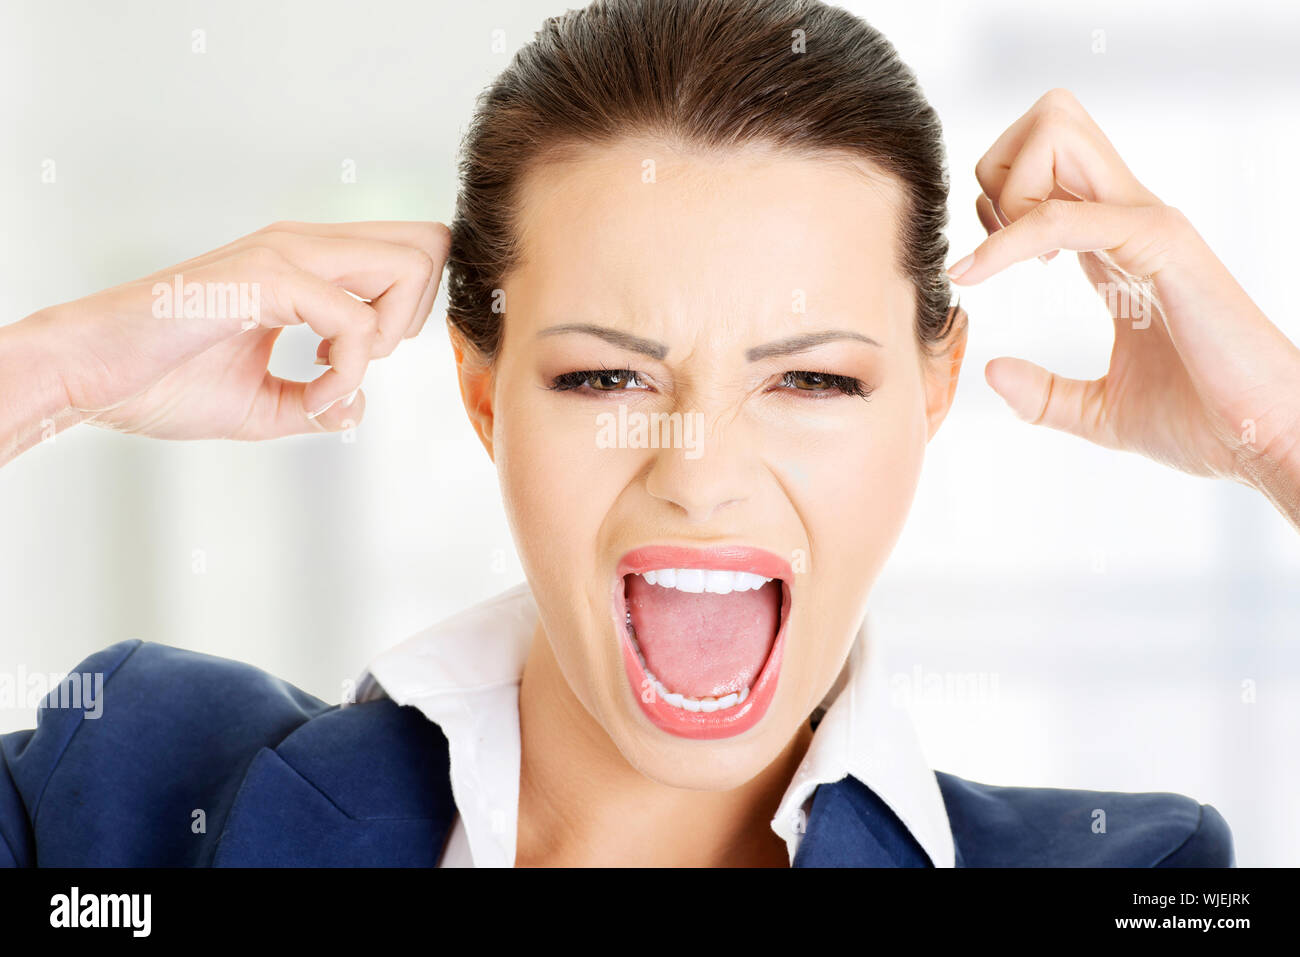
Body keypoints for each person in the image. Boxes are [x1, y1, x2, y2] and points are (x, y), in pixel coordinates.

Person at [2, 0, 1296, 867]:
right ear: (484, 393)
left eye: (814, 383)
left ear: (931, 389)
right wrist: (49, 369)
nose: (704, 475)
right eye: (607, 380)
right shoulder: (120, 793)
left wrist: (1277, 433)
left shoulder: (1139, 876)